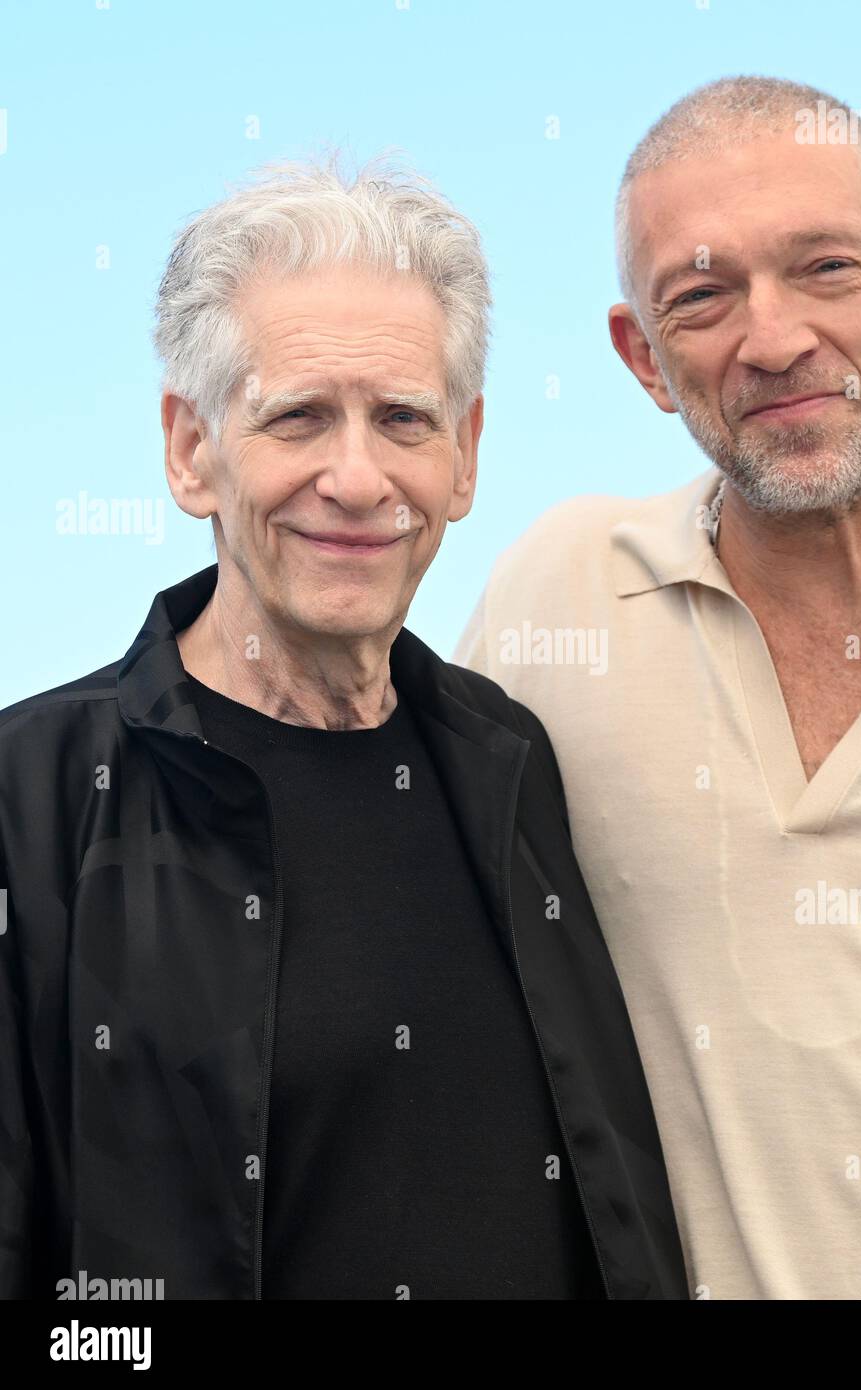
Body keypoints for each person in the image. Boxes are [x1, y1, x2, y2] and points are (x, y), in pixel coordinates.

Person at [457, 76, 861, 1299]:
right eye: (701, 295)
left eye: (824, 269)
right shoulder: (558, 602)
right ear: (641, 357)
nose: (772, 339)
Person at [0, 158, 686, 1301]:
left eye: (403, 419)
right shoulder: (33, 796)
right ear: (191, 450)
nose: (358, 478)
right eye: (299, 417)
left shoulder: (510, 761)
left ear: (464, 455)